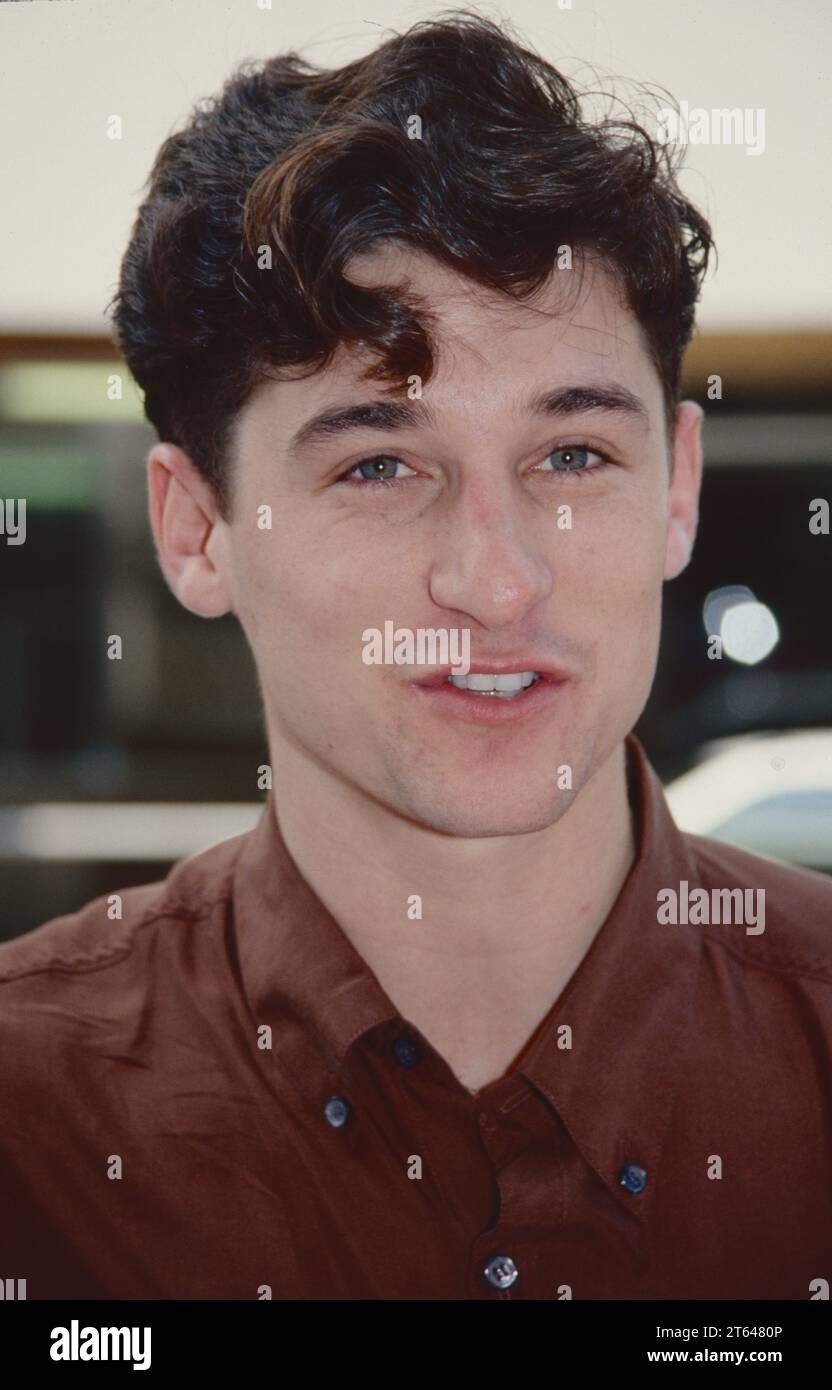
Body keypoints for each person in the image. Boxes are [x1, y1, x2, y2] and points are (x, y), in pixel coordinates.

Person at [2, 11, 830, 1301]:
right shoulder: (30, 1118)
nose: (499, 580)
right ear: (195, 529)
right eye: (379, 465)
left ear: (676, 493)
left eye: (573, 456)